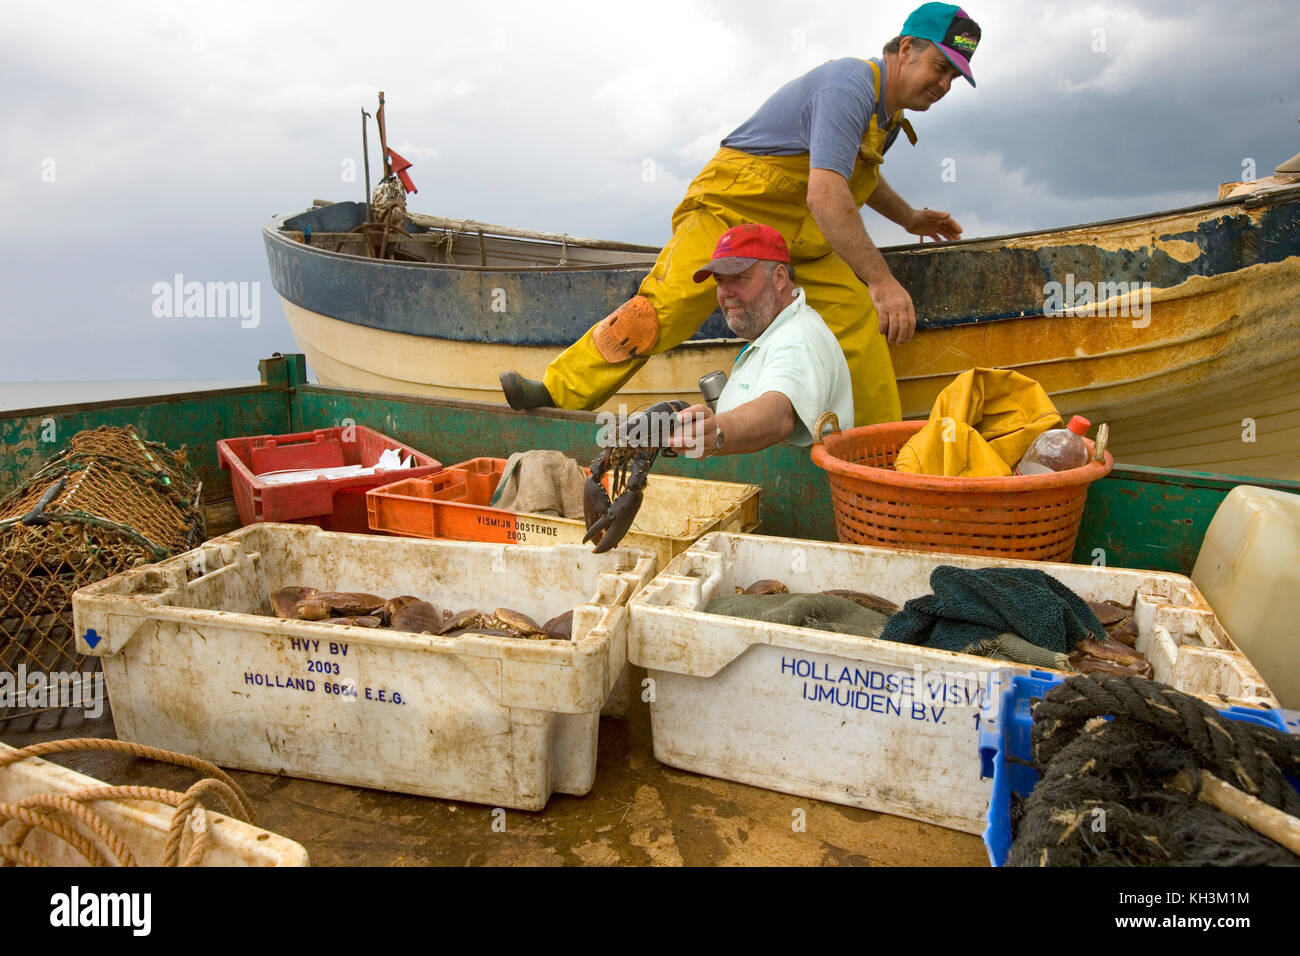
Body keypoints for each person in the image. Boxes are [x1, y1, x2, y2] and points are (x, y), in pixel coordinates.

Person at [500, 2, 980, 428]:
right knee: (662, 309)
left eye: (953, 78)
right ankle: (557, 392)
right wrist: (881, 281)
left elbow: (857, 178)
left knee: (858, 327)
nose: (943, 84)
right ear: (907, 49)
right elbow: (827, 192)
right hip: (728, 217)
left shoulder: (887, 116)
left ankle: (877, 454)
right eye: (940, 67)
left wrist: (910, 218)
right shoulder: (849, 87)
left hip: (797, 239)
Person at [663, 223, 853, 457]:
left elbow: (778, 415)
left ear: (780, 277)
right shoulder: (772, 333)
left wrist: (718, 432)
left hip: (789, 492)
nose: (726, 292)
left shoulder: (798, 338)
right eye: (720, 281)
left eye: (739, 277)